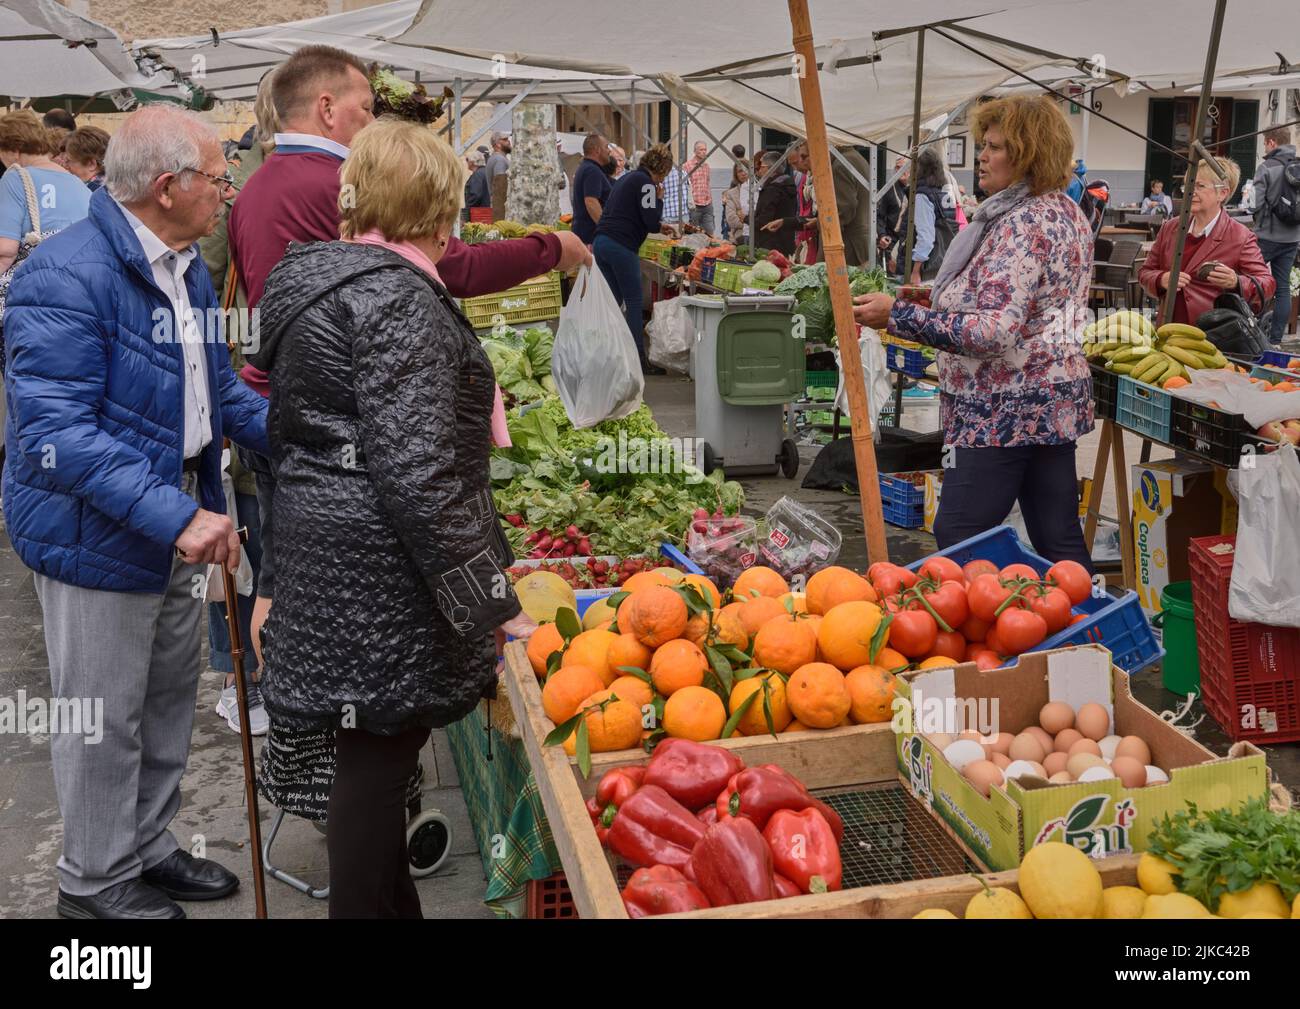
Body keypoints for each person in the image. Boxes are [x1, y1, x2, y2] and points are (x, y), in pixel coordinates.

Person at [227, 44, 590, 681]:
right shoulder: (335, 192)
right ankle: (331, 707)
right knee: (332, 599)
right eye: (365, 110)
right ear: (325, 108)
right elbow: (455, 270)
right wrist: (547, 249)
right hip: (336, 418)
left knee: (280, 578)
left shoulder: (254, 189)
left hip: (281, 406)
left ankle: (286, 702)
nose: (371, 123)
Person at [253, 118, 535, 918]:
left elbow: (296, 442)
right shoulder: (398, 298)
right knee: (377, 761)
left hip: (330, 548)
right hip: (380, 570)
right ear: (440, 212)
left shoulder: (318, 280)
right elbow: (418, 476)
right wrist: (493, 604)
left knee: (370, 755)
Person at [3, 105, 270, 919]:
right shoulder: (66, 275)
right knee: (101, 716)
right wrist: (176, 516)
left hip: (174, 508)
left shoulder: (183, 265)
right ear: (167, 186)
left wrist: (303, 431)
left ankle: (145, 848)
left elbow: (215, 389)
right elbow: (55, 433)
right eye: (220, 179)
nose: (228, 194)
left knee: (161, 702)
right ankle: (91, 881)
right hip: (101, 527)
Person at [852, 95, 1096, 570]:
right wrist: (927, 299)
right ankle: (1085, 637)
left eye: (995, 147)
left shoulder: (1023, 223)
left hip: (1004, 407)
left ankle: (997, 625)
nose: (982, 156)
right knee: (1057, 537)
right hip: (1052, 400)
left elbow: (993, 333)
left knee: (960, 531)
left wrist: (898, 318)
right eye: (983, 145)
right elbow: (1025, 303)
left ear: (1028, 154)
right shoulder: (1064, 212)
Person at [199, 69, 278, 735]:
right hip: (246, 383)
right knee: (243, 530)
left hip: (254, 384)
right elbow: (206, 289)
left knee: (255, 531)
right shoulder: (230, 194)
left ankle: (253, 674)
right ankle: (238, 677)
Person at [1139, 157, 1275, 326]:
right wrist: (1160, 279)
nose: (1191, 191)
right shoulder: (1170, 228)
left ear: (1223, 193)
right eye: (1188, 185)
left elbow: (1267, 284)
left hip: (1214, 337)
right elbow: (1145, 272)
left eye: (1200, 186)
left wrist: (1237, 282)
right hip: (1168, 332)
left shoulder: (1240, 236)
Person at [594, 143, 676, 365]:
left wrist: (660, 227)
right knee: (633, 301)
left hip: (602, 242)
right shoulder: (647, 184)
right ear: (663, 169)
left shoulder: (627, 179)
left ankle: (602, 351)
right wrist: (659, 199)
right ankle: (638, 357)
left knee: (612, 301)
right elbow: (648, 221)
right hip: (621, 245)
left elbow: (633, 213)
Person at [0, 110, 92, 277]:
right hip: (78, 281)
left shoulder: (15, 178)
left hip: (34, 283)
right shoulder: (79, 185)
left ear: (14, 150)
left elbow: (5, 250)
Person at [1251, 126, 1300, 344]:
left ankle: (1251, 332)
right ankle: (1276, 340)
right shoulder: (1298, 166)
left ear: (1271, 142)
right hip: (1292, 238)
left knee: (1253, 282)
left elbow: (1254, 204)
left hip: (1267, 237)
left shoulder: (1266, 167)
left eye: (1264, 143)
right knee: (1283, 288)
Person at [895, 147, 957, 283]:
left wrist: (915, 270)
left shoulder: (922, 196)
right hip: (942, 262)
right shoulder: (942, 191)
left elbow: (926, 237)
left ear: (920, 168)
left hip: (925, 270)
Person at [752, 149, 802, 255]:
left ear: (771, 168)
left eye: (761, 165)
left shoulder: (772, 189)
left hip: (770, 245)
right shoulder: (789, 184)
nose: (758, 169)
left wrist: (746, 218)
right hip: (786, 242)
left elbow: (763, 221)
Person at [570, 132, 612, 245]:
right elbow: (591, 202)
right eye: (606, 147)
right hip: (591, 238)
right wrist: (607, 230)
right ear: (597, 150)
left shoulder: (587, 168)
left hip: (587, 236)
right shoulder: (592, 171)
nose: (609, 151)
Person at [682, 140, 715, 235]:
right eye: (701, 149)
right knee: (692, 231)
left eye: (705, 149)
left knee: (710, 231)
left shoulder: (706, 166)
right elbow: (685, 186)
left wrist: (710, 200)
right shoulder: (687, 166)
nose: (704, 152)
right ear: (695, 151)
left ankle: (710, 249)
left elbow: (707, 184)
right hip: (695, 205)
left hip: (707, 204)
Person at [877, 156, 906, 265]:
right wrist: (882, 235)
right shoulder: (889, 189)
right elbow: (879, 216)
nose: (900, 171)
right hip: (892, 241)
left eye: (903, 167)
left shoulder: (917, 189)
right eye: (897, 168)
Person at [61, 126, 109, 190]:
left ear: (91, 164)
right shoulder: (116, 185)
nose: (64, 166)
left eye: (68, 161)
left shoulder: (91, 193)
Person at [721, 162, 752, 247]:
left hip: (759, 235)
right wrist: (752, 224)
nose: (743, 173)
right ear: (736, 175)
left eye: (746, 170)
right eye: (740, 171)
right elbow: (731, 220)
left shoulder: (759, 189)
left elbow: (761, 217)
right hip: (740, 236)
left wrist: (741, 215)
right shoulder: (731, 193)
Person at [486, 130, 511, 220]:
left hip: (498, 207)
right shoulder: (500, 160)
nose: (508, 141)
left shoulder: (495, 158)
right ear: (497, 144)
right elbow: (500, 188)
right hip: (501, 209)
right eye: (505, 139)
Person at [660, 160, 689, 231]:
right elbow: (688, 189)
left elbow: (659, 194)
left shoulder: (662, 175)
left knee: (668, 239)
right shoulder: (683, 172)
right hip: (683, 212)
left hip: (668, 212)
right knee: (683, 239)